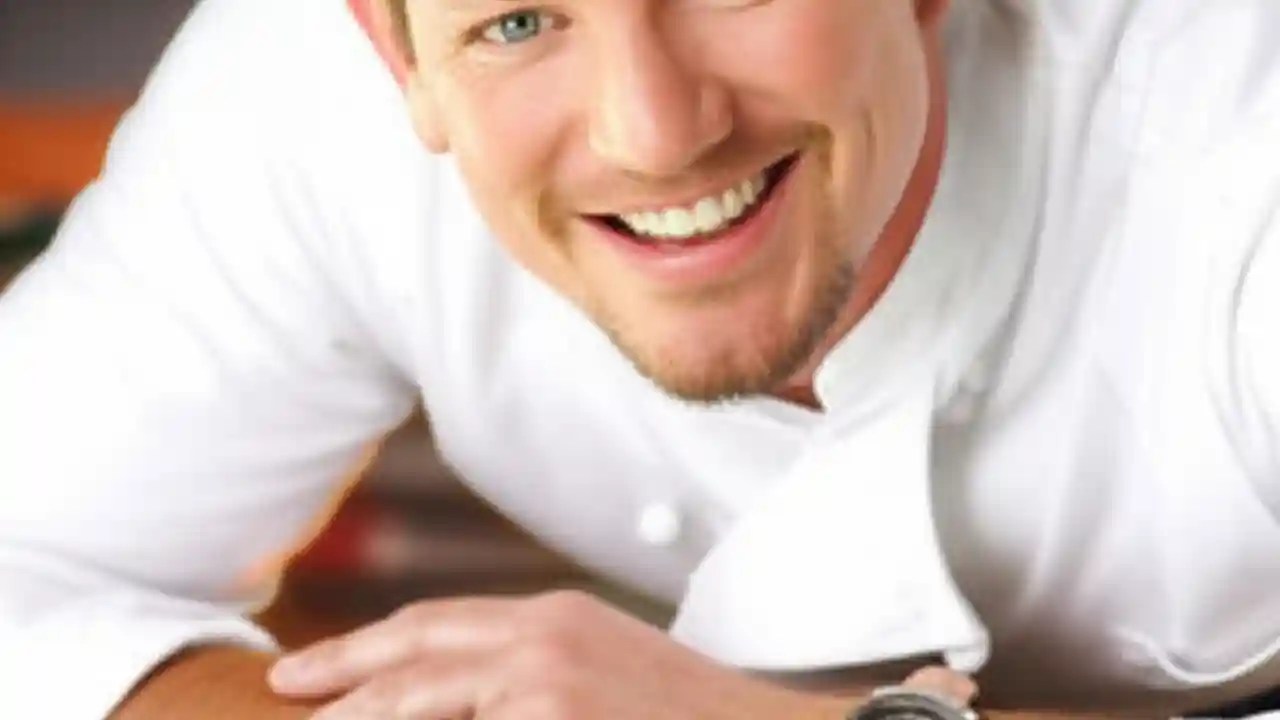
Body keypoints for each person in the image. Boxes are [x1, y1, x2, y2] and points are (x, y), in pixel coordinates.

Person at [1, 0, 1278, 717]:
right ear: (397, 58)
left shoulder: (1239, 140)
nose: (655, 133)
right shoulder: (294, 101)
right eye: (517, 21)